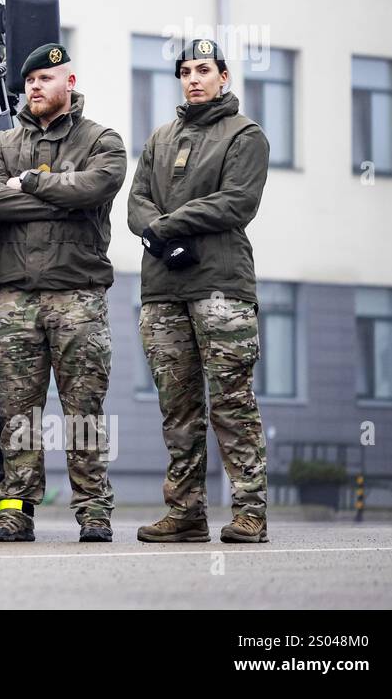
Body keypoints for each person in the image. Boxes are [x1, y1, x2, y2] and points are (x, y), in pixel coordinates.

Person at [0, 42, 126, 542]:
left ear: (69, 83)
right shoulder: (1, 146)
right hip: (16, 297)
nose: (35, 88)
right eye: (30, 81)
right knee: (19, 411)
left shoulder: (102, 140)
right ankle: (15, 510)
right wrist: (61, 197)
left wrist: (32, 183)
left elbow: (94, 189)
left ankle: (93, 511)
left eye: (45, 79)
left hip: (77, 295)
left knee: (84, 409)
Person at [129, 38, 271, 543]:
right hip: (163, 288)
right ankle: (186, 513)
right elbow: (136, 203)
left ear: (224, 77)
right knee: (178, 406)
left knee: (231, 402)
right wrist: (160, 226)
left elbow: (236, 203)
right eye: (185, 70)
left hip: (221, 287)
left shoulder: (245, 135)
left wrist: (166, 225)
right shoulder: (161, 137)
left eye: (204, 69)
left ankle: (250, 512)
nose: (193, 78)